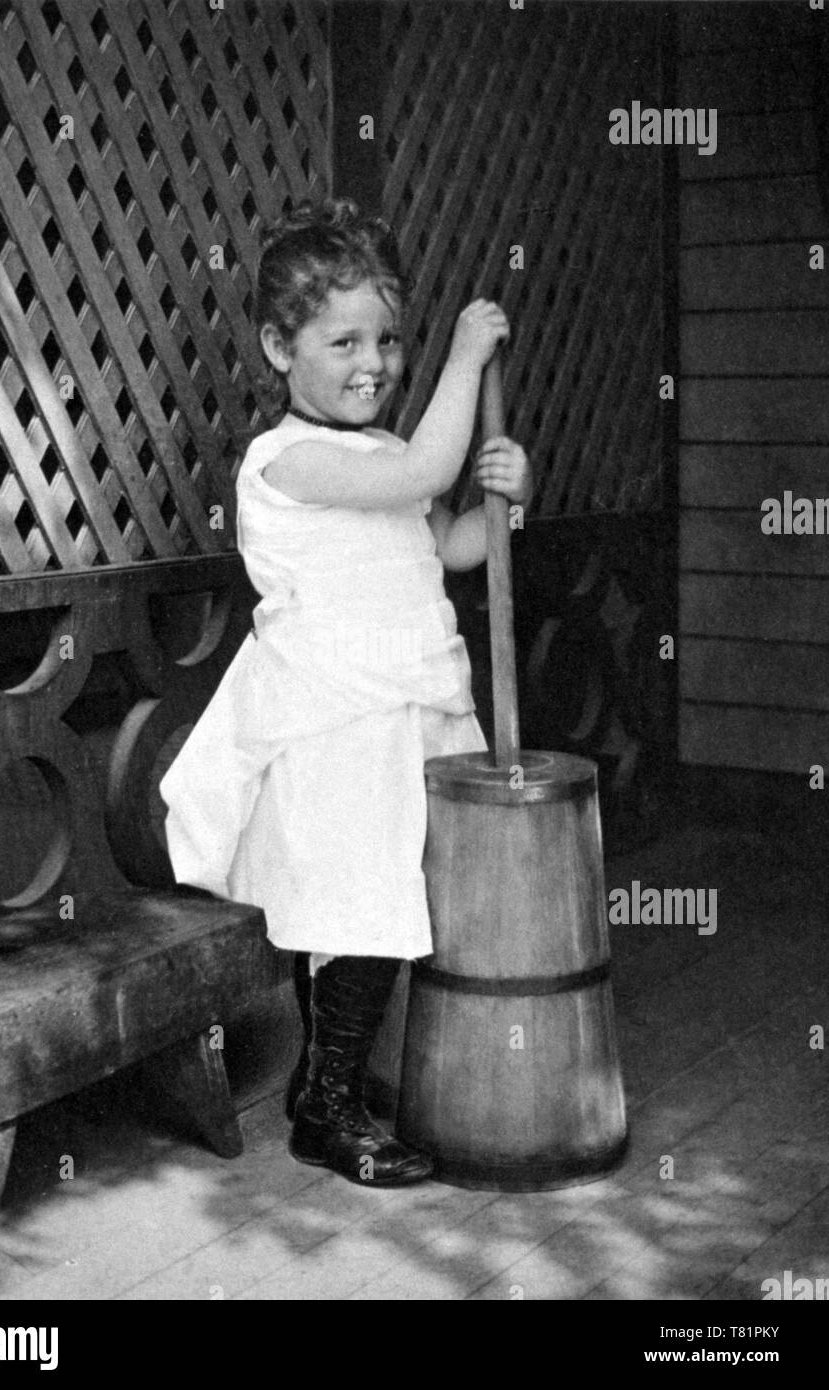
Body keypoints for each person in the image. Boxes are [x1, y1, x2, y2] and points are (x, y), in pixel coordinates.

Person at [160, 198, 532, 1187]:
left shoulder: (378, 458)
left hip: (407, 704)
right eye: (344, 341)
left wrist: (505, 502)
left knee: (383, 897)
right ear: (281, 348)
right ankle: (328, 1107)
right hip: (337, 718)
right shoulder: (287, 460)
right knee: (355, 902)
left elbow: (446, 543)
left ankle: (325, 1087)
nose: (375, 363)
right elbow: (423, 465)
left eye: (392, 341)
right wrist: (461, 360)